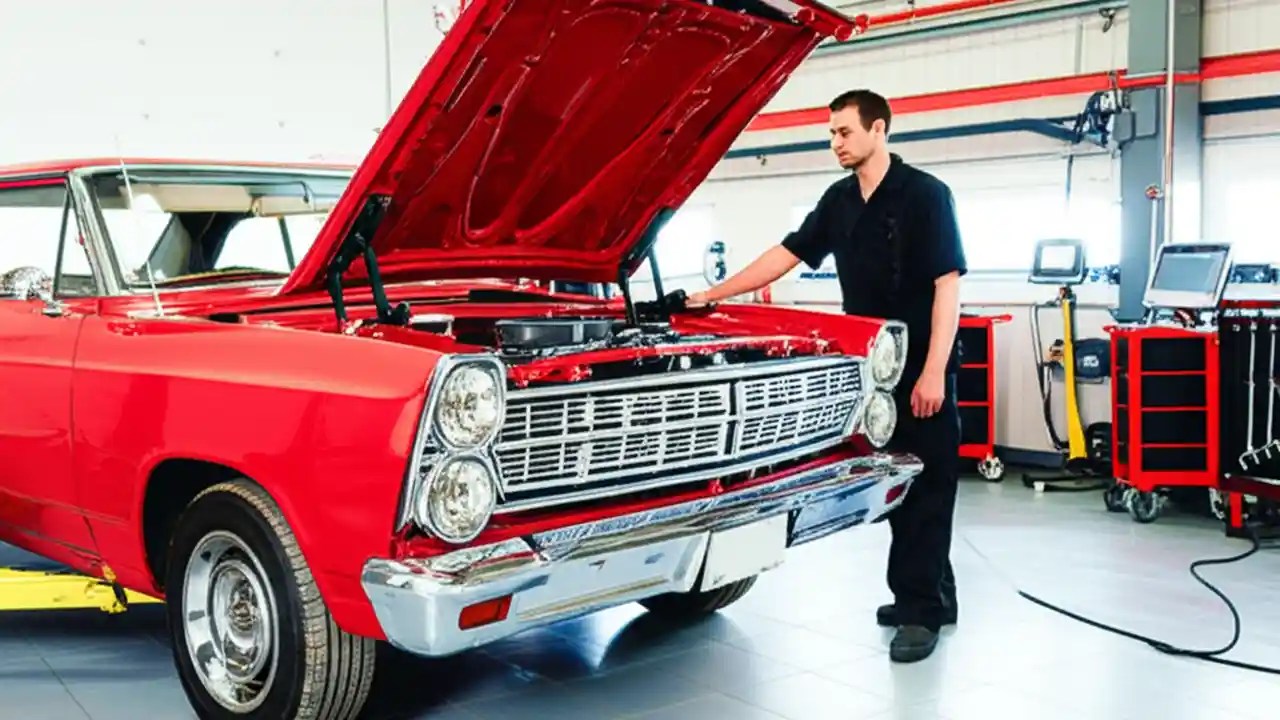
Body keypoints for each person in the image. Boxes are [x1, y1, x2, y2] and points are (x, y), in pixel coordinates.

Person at [687, 89, 966, 663]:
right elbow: (786, 254)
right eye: (831, 134)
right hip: (875, 368)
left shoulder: (927, 196)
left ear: (879, 129)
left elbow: (948, 286)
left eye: (844, 132)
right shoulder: (838, 201)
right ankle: (936, 592)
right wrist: (710, 296)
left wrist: (934, 370)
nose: (835, 143)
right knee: (901, 485)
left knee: (931, 484)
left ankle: (920, 612)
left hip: (922, 366)